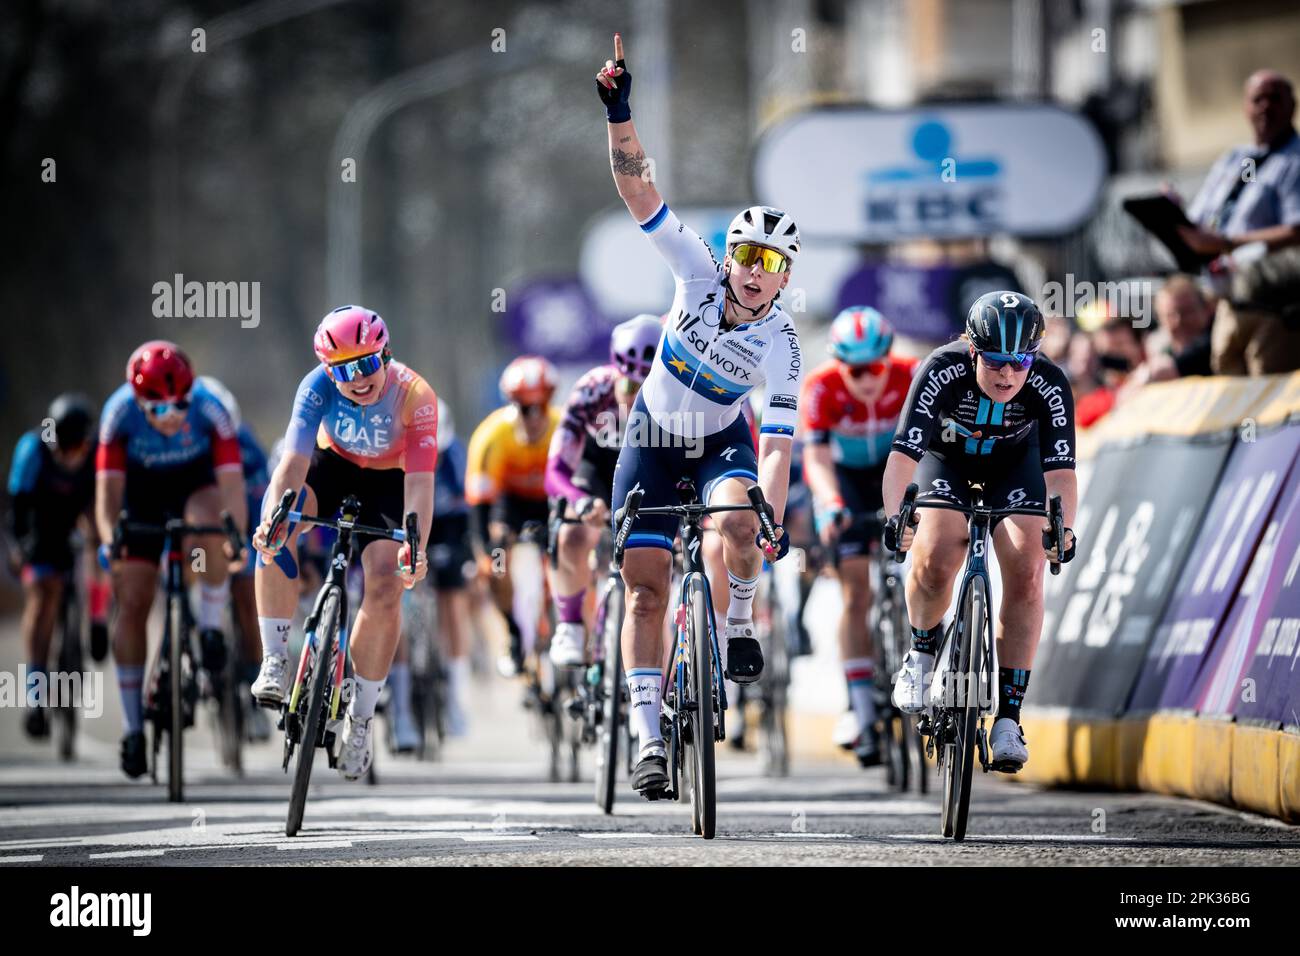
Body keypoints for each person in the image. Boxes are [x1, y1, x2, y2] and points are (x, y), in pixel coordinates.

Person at [595, 34, 802, 794]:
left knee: (742, 525)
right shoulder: (696, 272)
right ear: (729, 256)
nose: (754, 274)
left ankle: (739, 619)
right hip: (651, 438)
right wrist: (621, 115)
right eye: (747, 256)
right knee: (645, 588)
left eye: (771, 265)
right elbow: (640, 193)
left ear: (784, 279)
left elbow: (775, 447)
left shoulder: (784, 343)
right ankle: (649, 739)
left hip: (720, 444)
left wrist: (771, 521)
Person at [884, 292, 1078, 773]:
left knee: (1028, 566)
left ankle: (1009, 718)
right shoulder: (939, 369)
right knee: (936, 555)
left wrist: (1063, 529)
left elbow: (1061, 475)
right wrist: (897, 519)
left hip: (1016, 467)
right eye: (995, 362)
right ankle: (923, 652)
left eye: (1019, 363)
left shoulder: (1051, 383)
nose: (1008, 375)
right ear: (972, 349)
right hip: (945, 463)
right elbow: (904, 457)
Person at [249, 306, 435, 781]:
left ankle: (362, 721)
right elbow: (292, 463)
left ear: (385, 354)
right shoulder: (313, 387)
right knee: (277, 531)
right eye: (344, 371)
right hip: (331, 470)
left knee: (386, 585)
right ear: (329, 371)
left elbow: (418, 488)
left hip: (390, 485)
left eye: (369, 364)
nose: (358, 379)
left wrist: (416, 547)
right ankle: (274, 659)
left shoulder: (416, 397)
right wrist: (275, 516)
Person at [94, 342, 248, 779]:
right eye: (158, 410)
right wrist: (111, 541)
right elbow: (107, 499)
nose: (172, 415)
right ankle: (131, 729)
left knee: (208, 531)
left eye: (179, 404)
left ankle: (212, 626)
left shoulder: (211, 409)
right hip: (142, 498)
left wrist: (233, 536)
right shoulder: (117, 415)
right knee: (135, 600)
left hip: (195, 488)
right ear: (138, 402)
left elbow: (232, 488)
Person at [799, 307, 917, 766]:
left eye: (876, 367)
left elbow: (927, 450)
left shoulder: (910, 375)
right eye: (856, 369)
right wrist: (830, 505)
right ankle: (863, 708)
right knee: (856, 591)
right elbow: (819, 459)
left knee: (925, 558)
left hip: (895, 471)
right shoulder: (822, 386)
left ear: (890, 358)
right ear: (839, 364)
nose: (868, 379)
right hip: (846, 479)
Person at [544, 314, 662, 668]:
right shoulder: (592, 390)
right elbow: (556, 469)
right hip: (597, 468)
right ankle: (570, 624)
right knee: (572, 535)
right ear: (616, 372)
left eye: (647, 386)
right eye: (629, 386)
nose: (634, 396)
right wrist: (580, 502)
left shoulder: (679, 395)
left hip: (648, 472)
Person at [1176, 70, 1300, 375]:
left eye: (1275, 99)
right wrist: (1173, 213)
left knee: (1267, 395)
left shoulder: (1295, 161)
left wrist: (1229, 244)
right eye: (1258, 99)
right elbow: (1201, 219)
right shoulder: (1234, 159)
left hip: (1272, 309)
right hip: (1227, 302)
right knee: (1232, 395)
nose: (1266, 107)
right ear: (1246, 107)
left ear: (1292, 106)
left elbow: (1296, 230)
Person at [7, 394, 105, 740]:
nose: (71, 455)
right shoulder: (33, 449)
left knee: (100, 549)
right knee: (44, 597)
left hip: (76, 523)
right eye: (65, 447)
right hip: (40, 533)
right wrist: (18, 549)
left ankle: (97, 620)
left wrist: (102, 541)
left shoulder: (95, 453)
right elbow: (18, 505)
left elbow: (101, 503)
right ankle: (36, 695)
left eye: (77, 446)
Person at [465, 356, 561, 675]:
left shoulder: (563, 429)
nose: (532, 417)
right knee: (496, 564)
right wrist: (485, 555)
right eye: (523, 407)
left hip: (552, 501)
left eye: (539, 407)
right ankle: (514, 634)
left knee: (574, 551)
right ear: (511, 404)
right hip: (510, 506)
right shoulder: (491, 436)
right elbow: (480, 505)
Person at [1138, 274, 1214, 381]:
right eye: (1170, 315)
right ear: (1160, 318)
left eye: (1187, 312)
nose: (1179, 322)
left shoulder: (1218, 340)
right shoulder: (1160, 349)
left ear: (1207, 309)